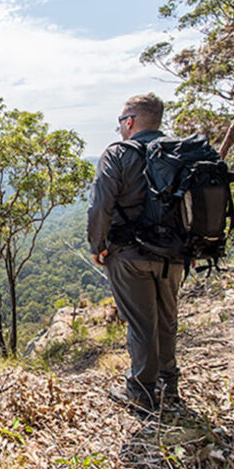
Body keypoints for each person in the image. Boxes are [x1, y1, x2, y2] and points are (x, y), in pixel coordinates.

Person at [87, 93, 183, 413]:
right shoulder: (180, 154)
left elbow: (100, 206)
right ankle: (169, 386)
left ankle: (142, 393)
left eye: (121, 122)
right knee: (167, 320)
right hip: (173, 255)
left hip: (129, 256)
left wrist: (98, 245)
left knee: (142, 324)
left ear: (129, 121)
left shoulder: (117, 154)